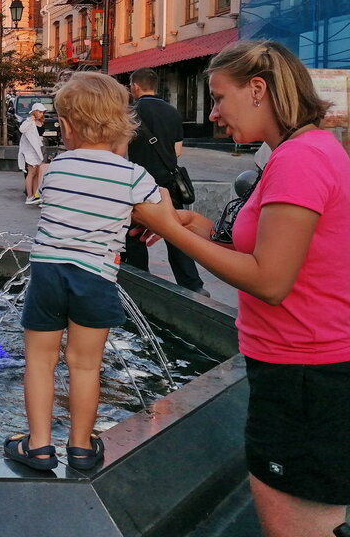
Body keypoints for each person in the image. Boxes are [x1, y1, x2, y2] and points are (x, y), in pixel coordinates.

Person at [132, 41, 350, 537]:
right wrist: (202, 228)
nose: (212, 115)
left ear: (258, 89)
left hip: (305, 375)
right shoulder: (302, 150)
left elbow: (270, 280)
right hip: (302, 368)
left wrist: (169, 229)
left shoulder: (300, 160)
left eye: (218, 97)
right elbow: (277, 246)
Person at [4, 72, 161, 472]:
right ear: (122, 126)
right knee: (85, 364)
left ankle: (38, 446)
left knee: (40, 361)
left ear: (68, 126)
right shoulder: (133, 177)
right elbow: (158, 215)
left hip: (48, 273)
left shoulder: (56, 169)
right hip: (95, 277)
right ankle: (80, 447)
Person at [122, 68, 205, 295]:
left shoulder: (130, 112)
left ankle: (141, 280)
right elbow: (178, 151)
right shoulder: (172, 112)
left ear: (135, 86)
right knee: (174, 231)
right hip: (167, 182)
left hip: (138, 182)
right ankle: (192, 284)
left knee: (135, 233)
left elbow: (121, 149)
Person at [17, 103, 47, 205]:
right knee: (31, 173)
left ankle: (35, 195)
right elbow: (22, 129)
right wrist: (31, 120)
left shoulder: (41, 121)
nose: (41, 114)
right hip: (30, 150)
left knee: (37, 173)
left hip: (39, 149)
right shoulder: (29, 121)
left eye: (42, 112)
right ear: (34, 111)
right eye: (39, 112)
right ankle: (29, 196)